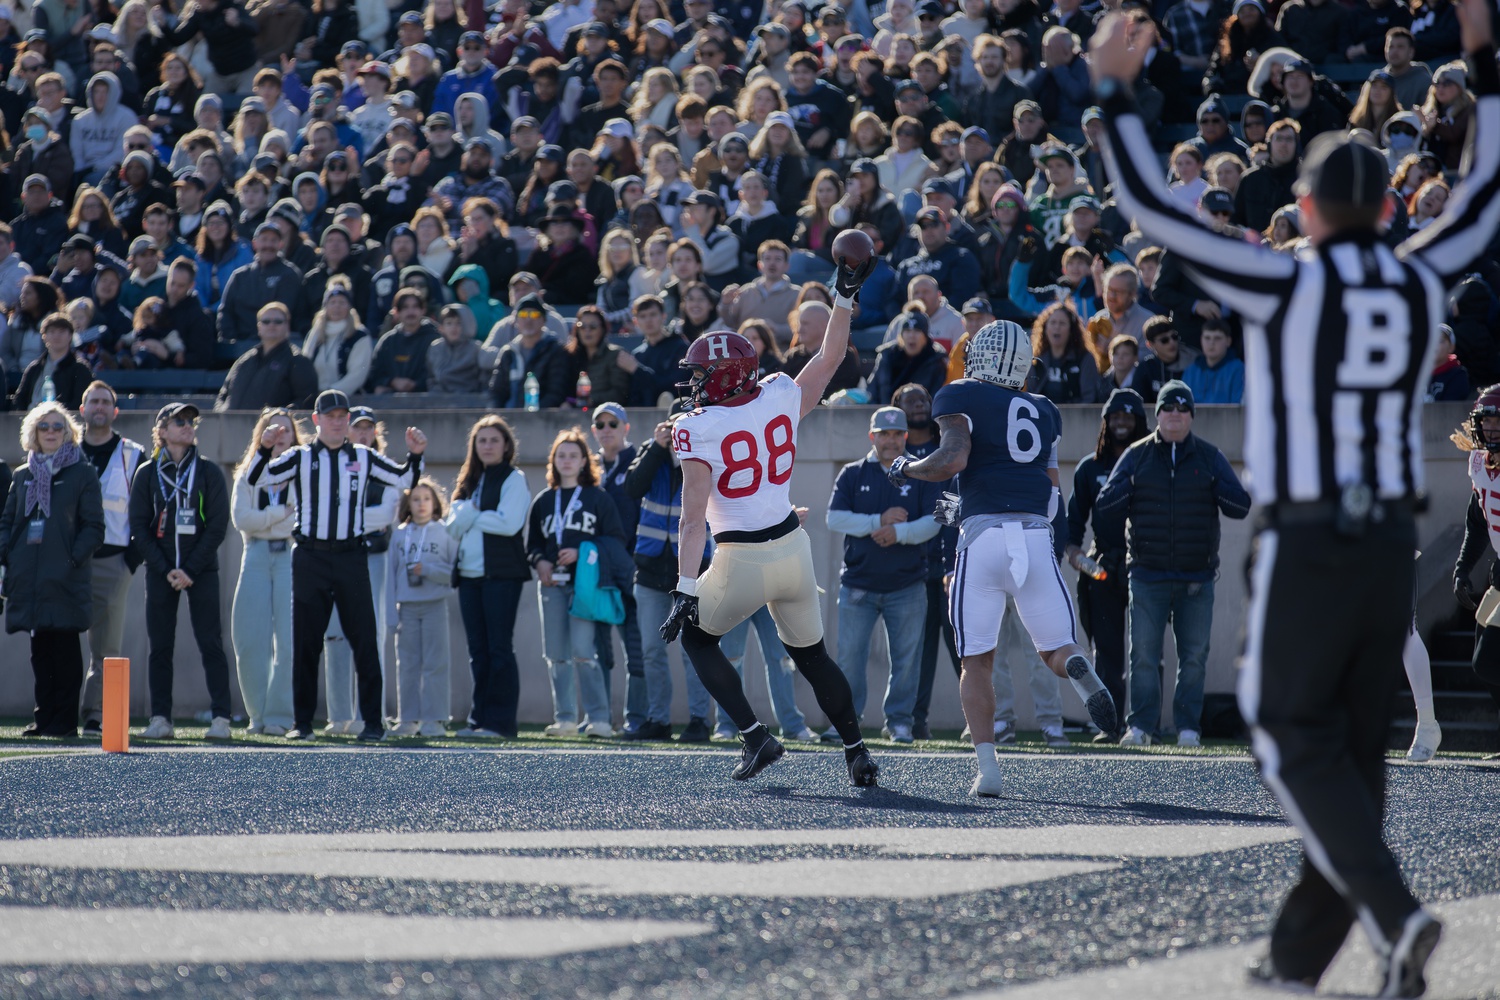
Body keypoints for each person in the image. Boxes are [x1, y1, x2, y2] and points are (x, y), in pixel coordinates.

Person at [1091, 5, 1500, 988]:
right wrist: (1482, 58)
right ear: (1393, 210)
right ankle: (1297, 963)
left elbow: (1150, 206)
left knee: (1283, 730)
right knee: (1355, 756)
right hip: (1385, 545)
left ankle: (1397, 916)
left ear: (1307, 209)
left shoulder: (1285, 279)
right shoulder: (1416, 275)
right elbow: (1486, 197)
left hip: (1310, 538)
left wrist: (1111, 86)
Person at [660, 254, 882, 788]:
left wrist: (685, 588)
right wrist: (844, 297)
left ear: (721, 377)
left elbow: (693, 524)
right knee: (814, 658)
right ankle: (856, 752)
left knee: (695, 637)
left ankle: (756, 736)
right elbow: (830, 357)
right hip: (793, 549)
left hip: (741, 558)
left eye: (700, 376)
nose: (693, 386)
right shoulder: (780, 393)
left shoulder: (697, 427)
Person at [887, 318, 1120, 795]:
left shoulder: (961, 394)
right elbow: (1053, 490)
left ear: (982, 356)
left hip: (986, 539)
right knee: (1056, 648)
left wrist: (907, 467)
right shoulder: (1044, 408)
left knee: (978, 662)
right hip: (1035, 534)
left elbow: (953, 458)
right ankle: (1079, 669)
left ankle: (989, 771)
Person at [248, 389, 427, 742]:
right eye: (330, 416)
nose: (337, 421)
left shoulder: (363, 455)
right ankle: (303, 723)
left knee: (364, 639)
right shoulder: (300, 457)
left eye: (342, 416)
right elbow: (259, 477)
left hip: (350, 556)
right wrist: (265, 446)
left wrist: (416, 454)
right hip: (311, 556)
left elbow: (405, 479)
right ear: (316, 420)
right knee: (307, 642)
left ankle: (373, 723)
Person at [1092, 381, 1250, 746]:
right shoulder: (1135, 455)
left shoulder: (1210, 457)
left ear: (1191, 416)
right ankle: (1141, 726)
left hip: (1198, 577)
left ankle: (1188, 728)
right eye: (1168, 408)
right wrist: (1128, 485)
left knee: (1193, 657)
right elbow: (1105, 505)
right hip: (1147, 574)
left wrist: (1218, 487)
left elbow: (1240, 506)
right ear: (1158, 415)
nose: (1175, 414)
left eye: (1182, 409)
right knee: (1143, 655)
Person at [826, 406, 942, 744]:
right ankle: (845, 722)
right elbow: (833, 519)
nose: (890, 441)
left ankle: (900, 722)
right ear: (872, 436)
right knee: (848, 659)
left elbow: (937, 522)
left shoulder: (923, 472)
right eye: (884, 434)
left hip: (907, 584)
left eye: (896, 434)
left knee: (907, 661)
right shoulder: (852, 472)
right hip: (858, 585)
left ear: (906, 436)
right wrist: (878, 522)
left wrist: (899, 532)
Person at [128, 402, 234, 741]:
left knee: (210, 642)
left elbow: (217, 527)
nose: (188, 425)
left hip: (200, 569)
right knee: (160, 645)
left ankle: (221, 719)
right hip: (160, 570)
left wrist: (188, 568)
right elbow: (138, 528)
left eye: (191, 421)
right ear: (161, 431)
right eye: (179, 421)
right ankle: (161, 718)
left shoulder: (208, 472)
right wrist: (165, 568)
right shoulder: (147, 473)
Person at [0, 402, 104, 737]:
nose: (50, 432)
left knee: (64, 648)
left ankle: (64, 720)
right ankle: (43, 717)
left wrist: (72, 559)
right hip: (29, 575)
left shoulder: (82, 472)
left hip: (64, 575)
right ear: (33, 432)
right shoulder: (23, 474)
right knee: (40, 651)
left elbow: (94, 526)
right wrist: (8, 556)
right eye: (44, 426)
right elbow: (8, 522)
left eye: (57, 426)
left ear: (69, 432)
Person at [526, 428, 626, 738]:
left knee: (584, 651)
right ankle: (566, 718)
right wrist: (541, 561)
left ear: (584, 461)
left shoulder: (598, 498)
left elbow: (616, 540)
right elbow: (532, 546)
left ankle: (599, 719)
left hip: (586, 586)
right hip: (552, 586)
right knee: (556, 654)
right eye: (561, 455)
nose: (567, 461)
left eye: (573, 455)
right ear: (553, 461)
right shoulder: (544, 500)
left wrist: (583, 550)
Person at [1063, 389, 1149, 743]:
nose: (1121, 423)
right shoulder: (1089, 467)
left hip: (1146, 564)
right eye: (1115, 417)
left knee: (1146, 648)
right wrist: (1083, 562)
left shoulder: (1150, 462)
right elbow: (1071, 531)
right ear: (1105, 422)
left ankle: (1144, 727)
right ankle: (1110, 726)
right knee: (1106, 647)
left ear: (1140, 422)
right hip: (1103, 566)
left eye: (1128, 417)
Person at [447, 415, 531, 739]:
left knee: (499, 649)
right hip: (469, 578)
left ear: (506, 445)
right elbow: (451, 527)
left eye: (494, 439)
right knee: (478, 653)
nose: (488, 445)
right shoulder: (469, 479)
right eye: (482, 440)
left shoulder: (514, 478)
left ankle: (500, 723)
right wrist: (474, 516)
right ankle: (478, 720)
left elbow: (509, 524)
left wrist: (469, 515)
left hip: (501, 576)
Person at [321, 407, 402, 734]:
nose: (364, 434)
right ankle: (339, 716)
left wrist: (345, 519)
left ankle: (372, 713)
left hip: (374, 557)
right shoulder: (333, 462)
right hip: (338, 558)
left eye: (369, 428)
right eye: (358, 428)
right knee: (335, 634)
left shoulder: (385, 467)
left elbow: (385, 514)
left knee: (374, 635)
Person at [76, 383, 146, 736]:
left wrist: (131, 559)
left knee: (107, 646)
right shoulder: (67, 448)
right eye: (94, 401)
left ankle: (95, 714)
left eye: (106, 402)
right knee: (57, 637)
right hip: (70, 560)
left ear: (115, 411)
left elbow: (147, 509)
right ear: (82, 408)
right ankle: (56, 714)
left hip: (113, 559)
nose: (99, 407)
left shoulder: (133, 453)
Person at [230, 407, 300, 737]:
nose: (280, 434)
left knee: (287, 641)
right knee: (249, 639)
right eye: (273, 429)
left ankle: (280, 716)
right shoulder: (247, 474)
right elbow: (242, 519)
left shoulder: (302, 470)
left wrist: (270, 518)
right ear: (262, 434)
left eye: (286, 429)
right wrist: (278, 512)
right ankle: (256, 714)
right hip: (255, 553)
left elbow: (298, 520)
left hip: (290, 555)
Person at [385, 477, 460, 738]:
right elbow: (391, 576)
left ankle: (435, 720)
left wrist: (428, 570)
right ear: (408, 504)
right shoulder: (399, 534)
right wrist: (391, 615)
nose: (421, 504)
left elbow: (454, 572)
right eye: (415, 499)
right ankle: (408, 719)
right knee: (406, 664)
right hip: (407, 606)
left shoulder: (445, 531)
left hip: (435, 605)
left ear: (435, 502)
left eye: (426, 499)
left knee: (435, 663)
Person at [590, 402, 646, 733]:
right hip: (597, 575)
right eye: (600, 424)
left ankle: (636, 720)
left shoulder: (639, 463)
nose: (606, 429)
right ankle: (599, 718)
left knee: (636, 652)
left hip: (632, 571)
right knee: (598, 651)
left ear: (625, 427)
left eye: (613, 423)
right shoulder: (589, 468)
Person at [214, 302, 319, 412]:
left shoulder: (298, 361)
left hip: (270, 428)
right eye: (266, 321)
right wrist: (221, 414)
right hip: (231, 427)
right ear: (259, 327)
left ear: (287, 326)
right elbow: (223, 395)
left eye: (278, 321)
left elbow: (306, 399)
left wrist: (281, 416)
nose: (271, 325)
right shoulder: (244, 360)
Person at [1181, 316, 1245, 403]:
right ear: (1201, 340)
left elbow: (1238, 406)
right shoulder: (1190, 371)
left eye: (1217, 338)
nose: (1211, 343)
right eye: (1207, 338)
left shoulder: (1239, 370)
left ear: (1228, 341)